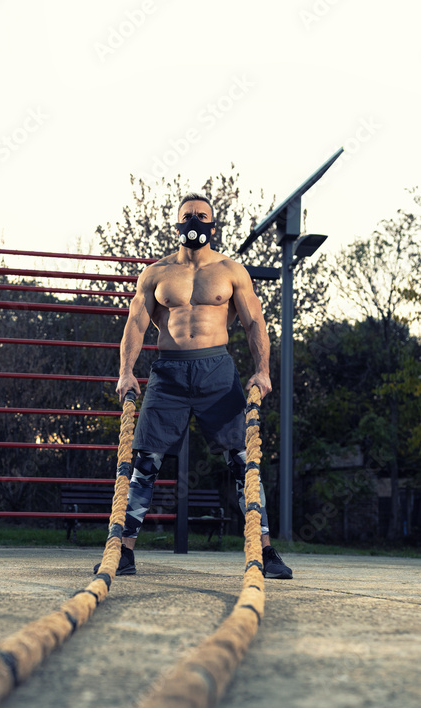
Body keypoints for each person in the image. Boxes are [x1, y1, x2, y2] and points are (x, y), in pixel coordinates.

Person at [99, 192, 292, 579]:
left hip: (216, 372)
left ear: (212, 225)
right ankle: (125, 552)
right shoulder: (156, 273)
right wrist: (126, 371)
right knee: (145, 464)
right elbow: (136, 325)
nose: (194, 221)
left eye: (201, 216)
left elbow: (255, 323)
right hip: (168, 373)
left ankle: (265, 550)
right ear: (177, 224)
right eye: (187, 216)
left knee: (243, 461)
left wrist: (263, 370)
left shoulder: (231, 270)